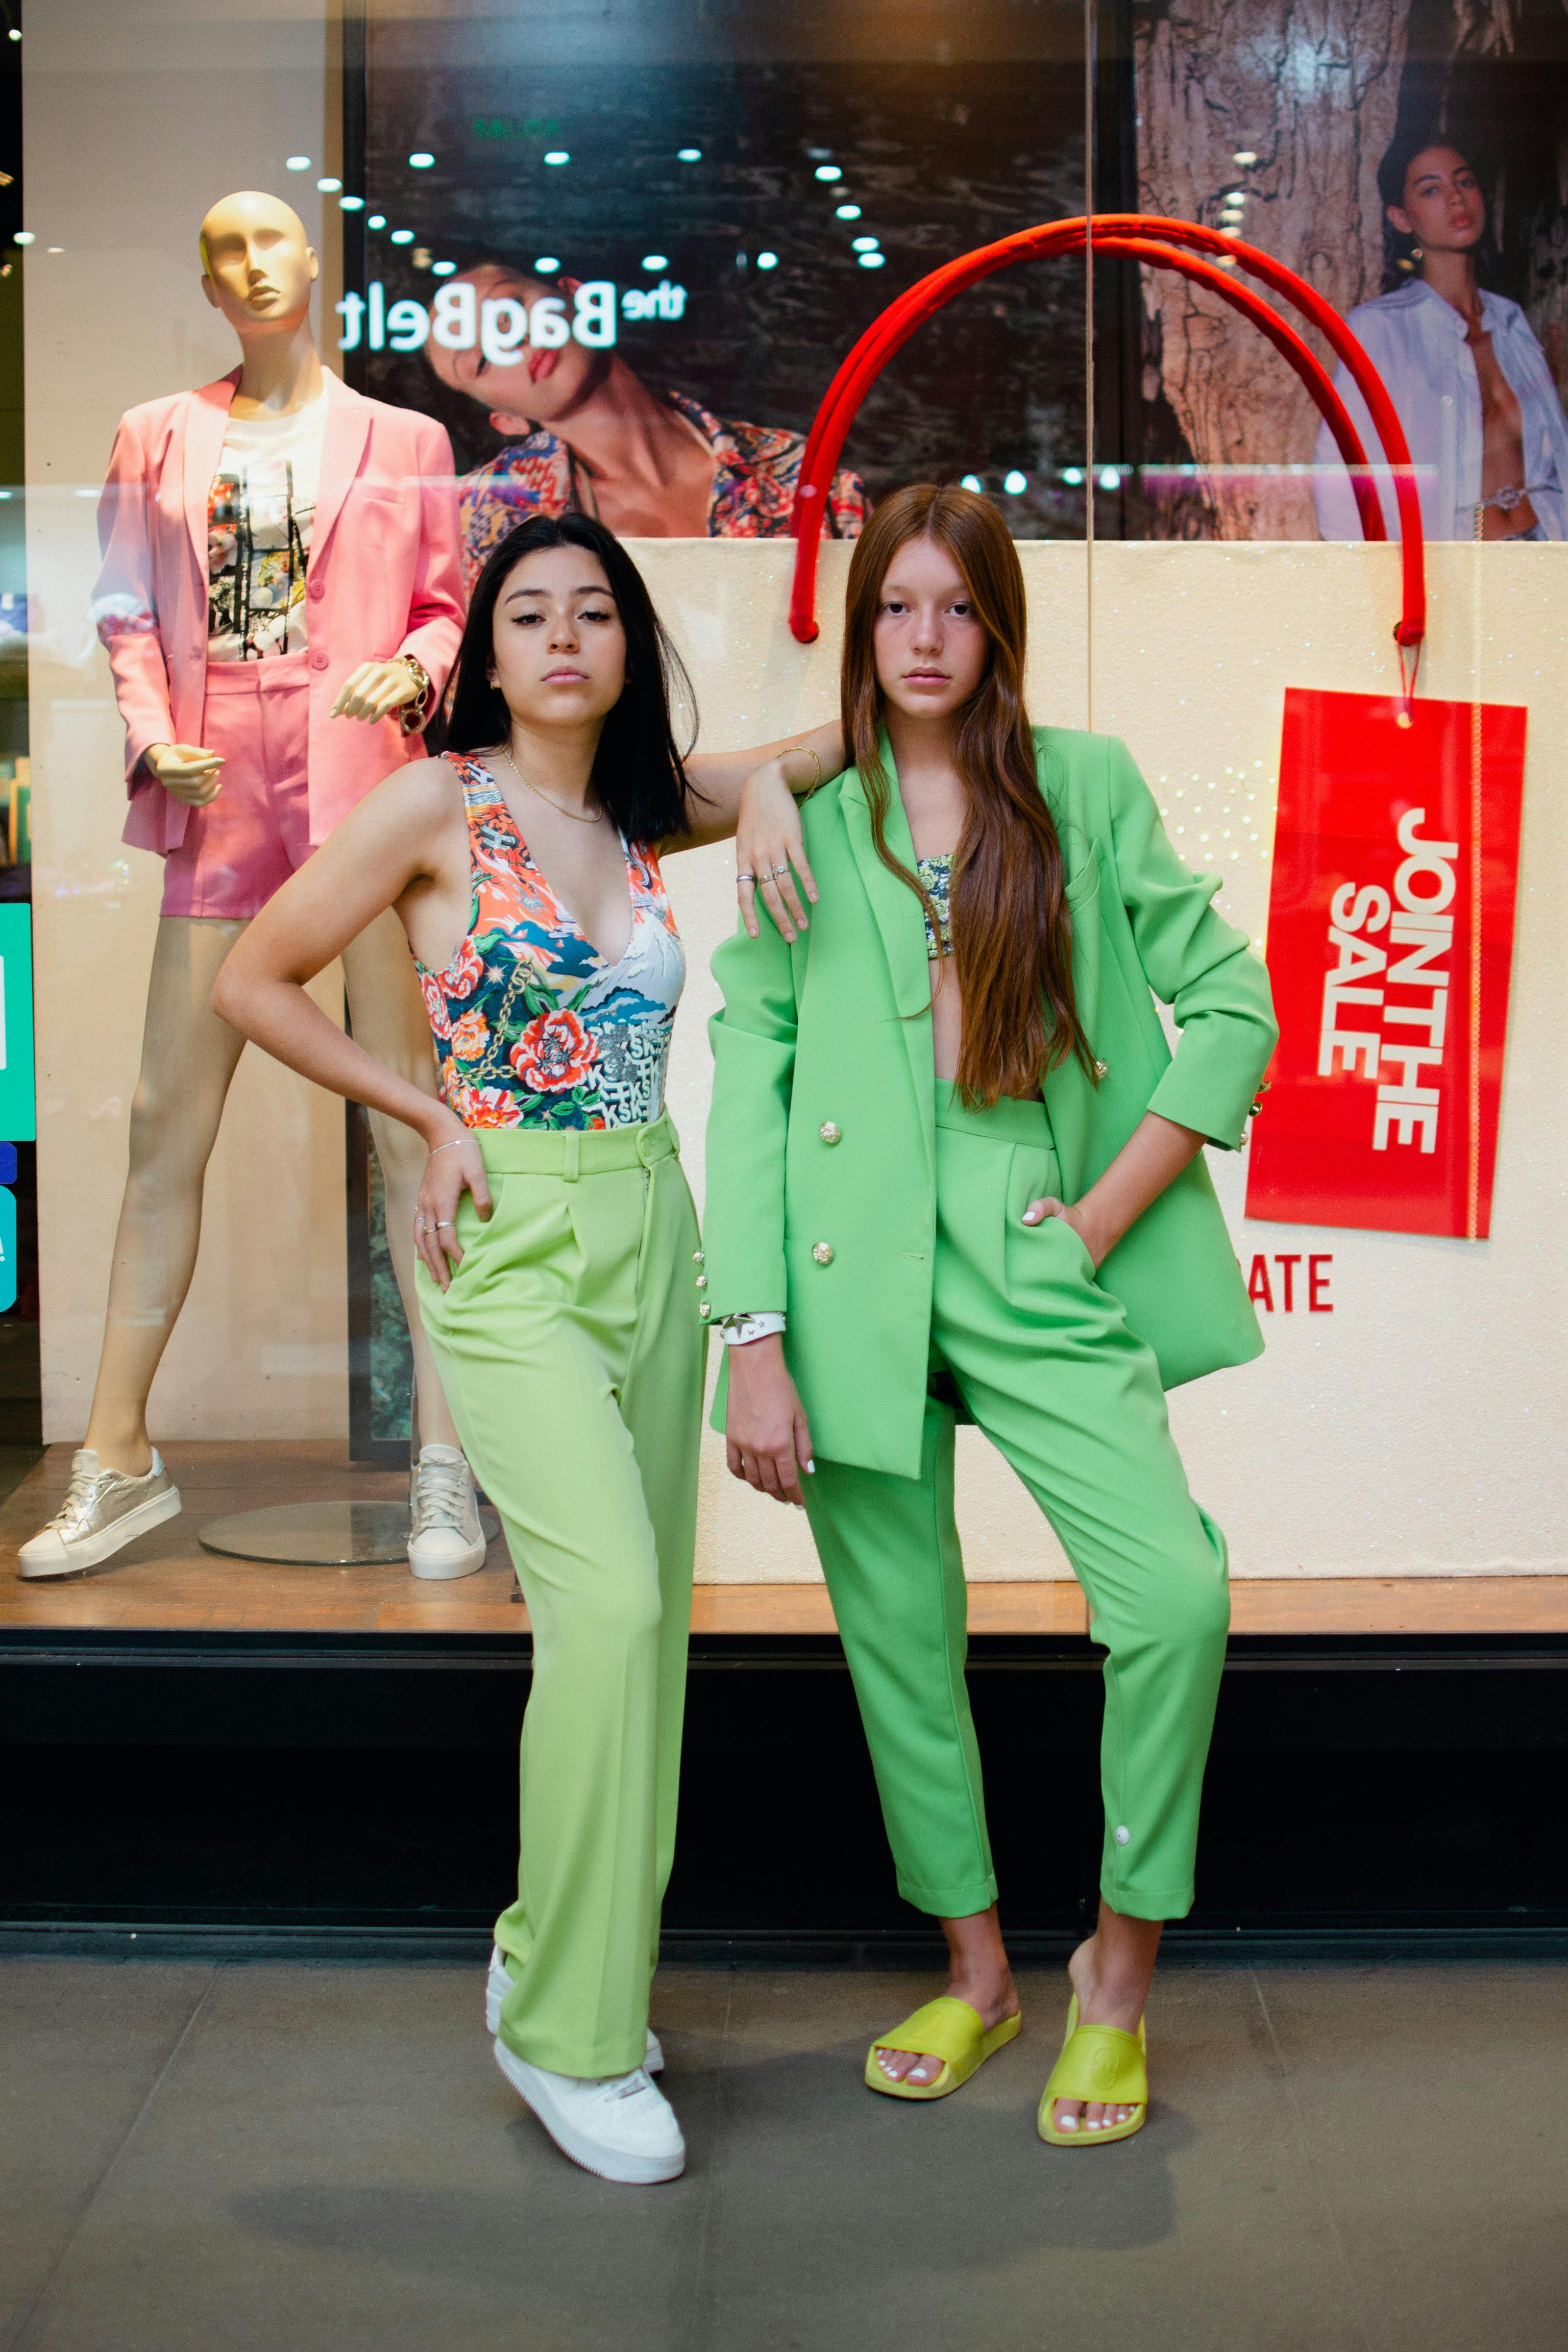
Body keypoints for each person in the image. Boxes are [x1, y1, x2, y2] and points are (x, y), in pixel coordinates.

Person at [212, 510, 836, 2186]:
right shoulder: (436, 803)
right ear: (485, 654)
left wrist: (792, 781)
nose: (565, 638)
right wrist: (425, 1112)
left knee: (650, 1637)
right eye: (531, 615)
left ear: (629, 645)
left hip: (655, 1226)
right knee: (608, 1607)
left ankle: (571, 1960)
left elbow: (825, 743)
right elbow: (254, 980)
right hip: (508, 1243)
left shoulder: (642, 808)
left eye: (595, 612)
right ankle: (563, 2031)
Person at [705, 484, 1277, 2145]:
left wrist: (1102, 1215)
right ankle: (976, 1970)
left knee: (1173, 1593)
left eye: (958, 607)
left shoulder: (1083, 787)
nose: (927, 637)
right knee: (901, 1635)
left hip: (1030, 1236)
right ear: (862, 625)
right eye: (897, 605)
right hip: (842, 1263)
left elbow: (1233, 1004)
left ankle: (1116, 1970)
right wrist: (752, 1337)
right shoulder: (808, 822)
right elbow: (754, 1077)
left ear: (999, 626)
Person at [18, 189, 482, 1585]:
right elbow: (120, 604)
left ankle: (445, 1457)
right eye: (223, 250)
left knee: (410, 1118)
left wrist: (416, 665)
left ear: (314, 260)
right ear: (208, 284)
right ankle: (116, 1452)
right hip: (218, 773)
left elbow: (446, 602)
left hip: (361, 778)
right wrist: (152, 728)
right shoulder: (156, 433)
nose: (250, 265)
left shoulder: (405, 441)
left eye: (270, 240)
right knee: (166, 1116)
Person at [419, 260, 866, 585]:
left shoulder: (797, 470)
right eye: (481, 361)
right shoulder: (483, 518)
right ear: (505, 420)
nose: (511, 340)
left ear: (578, 295)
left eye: (510, 309)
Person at [1313, 136, 1568, 542]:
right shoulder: (1381, 328)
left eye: (1465, 182)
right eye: (1431, 190)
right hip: (1458, 564)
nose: (1456, 198)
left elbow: (1558, 455)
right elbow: (1343, 483)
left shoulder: (1511, 322)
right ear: (1402, 218)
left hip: (1546, 551)